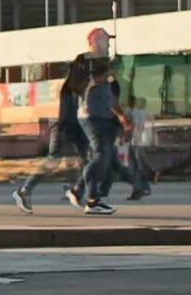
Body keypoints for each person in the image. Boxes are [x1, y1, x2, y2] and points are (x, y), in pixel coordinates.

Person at [12, 61, 97, 214]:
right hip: (63, 127)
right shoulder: (68, 90)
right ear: (79, 80)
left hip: (72, 127)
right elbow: (66, 117)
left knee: (87, 162)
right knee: (53, 161)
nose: (86, 85)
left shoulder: (76, 92)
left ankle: (78, 193)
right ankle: (24, 191)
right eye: (85, 82)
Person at [77, 61, 127, 213]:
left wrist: (120, 119)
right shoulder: (94, 88)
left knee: (106, 160)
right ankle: (89, 197)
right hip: (96, 123)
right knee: (101, 156)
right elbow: (99, 108)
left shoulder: (108, 86)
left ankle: (92, 196)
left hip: (103, 123)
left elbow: (112, 104)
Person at [120, 94, 155, 201]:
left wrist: (123, 138)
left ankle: (138, 188)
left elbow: (129, 126)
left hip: (134, 141)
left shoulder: (129, 112)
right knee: (139, 165)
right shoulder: (142, 112)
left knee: (134, 166)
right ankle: (144, 187)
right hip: (142, 141)